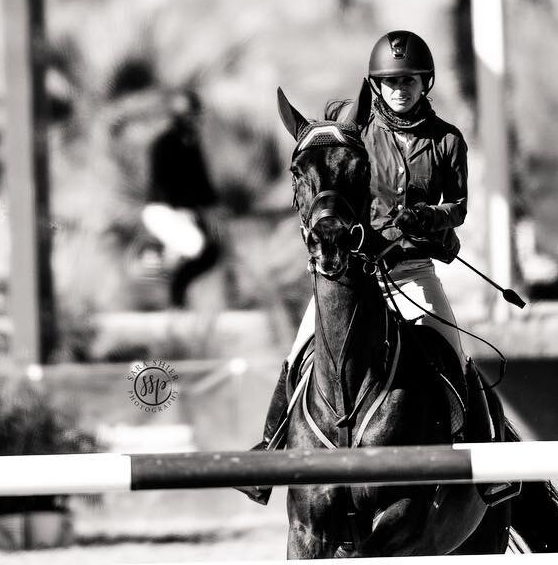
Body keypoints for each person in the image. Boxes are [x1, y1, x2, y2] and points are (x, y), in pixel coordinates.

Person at [239, 29, 513, 506]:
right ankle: (268, 454)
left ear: (424, 82)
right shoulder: (361, 135)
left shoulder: (448, 140)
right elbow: (332, 162)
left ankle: (487, 464)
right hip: (359, 269)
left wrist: (431, 215)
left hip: (414, 268)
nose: (398, 89)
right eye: (389, 82)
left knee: (456, 354)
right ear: (377, 86)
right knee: (301, 346)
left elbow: (460, 206)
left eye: (408, 80)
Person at [144, 89, 221, 308]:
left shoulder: (192, 146)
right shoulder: (165, 145)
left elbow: (203, 186)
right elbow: (164, 184)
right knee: (199, 248)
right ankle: (174, 297)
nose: (196, 121)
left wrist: (218, 206)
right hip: (163, 211)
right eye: (192, 116)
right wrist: (184, 208)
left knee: (211, 252)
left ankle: (178, 298)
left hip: (183, 210)